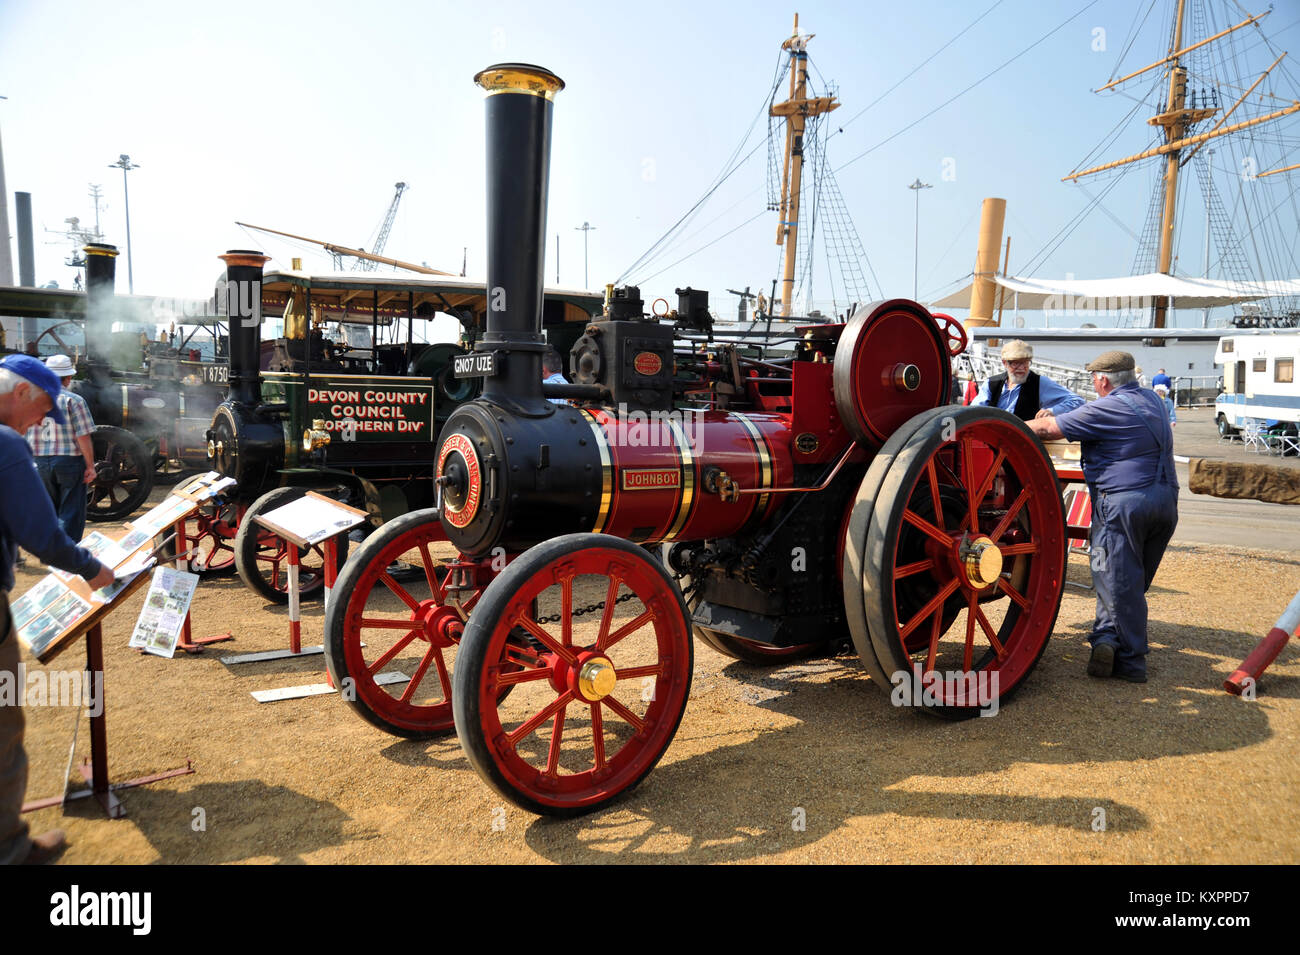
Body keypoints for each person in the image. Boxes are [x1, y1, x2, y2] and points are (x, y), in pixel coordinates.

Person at [1, 354, 115, 865]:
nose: (45, 421)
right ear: (23, 393)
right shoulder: (5, 445)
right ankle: (9, 849)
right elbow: (44, 536)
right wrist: (92, 568)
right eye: (45, 408)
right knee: (3, 731)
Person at [1026, 350, 1179, 684]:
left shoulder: (1108, 407)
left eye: (1095, 380)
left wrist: (1006, 425)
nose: (1094, 386)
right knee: (1126, 582)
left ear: (1103, 380)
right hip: (1166, 503)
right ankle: (1105, 641)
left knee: (1115, 581)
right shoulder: (1152, 400)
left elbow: (1050, 429)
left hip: (1124, 505)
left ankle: (1132, 663)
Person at [25, 355, 96, 543]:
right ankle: (65, 557)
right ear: (69, 378)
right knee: (70, 512)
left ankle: (50, 551)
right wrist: (90, 466)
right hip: (69, 462)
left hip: (38, 462)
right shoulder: (74, 400)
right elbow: (83, 436)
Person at [972, 339, 1085, 421]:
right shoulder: (991, 384)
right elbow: (973, 412)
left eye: (1025, 362)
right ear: (1004, 363)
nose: (1021, 368)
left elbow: (1078, 401)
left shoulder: (1039, 383)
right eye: (1016, 363)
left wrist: (1052, 411)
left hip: (1024, 445)